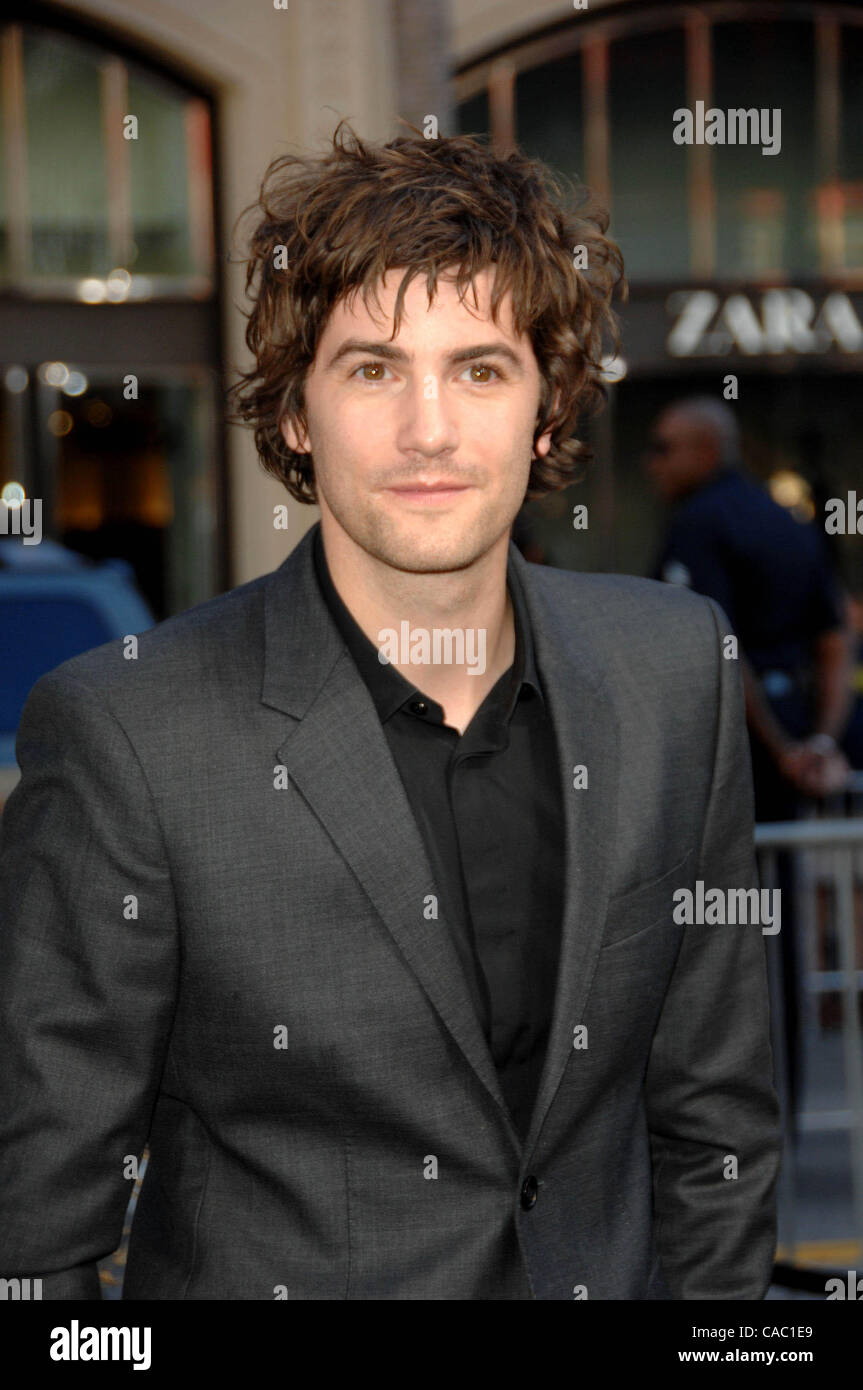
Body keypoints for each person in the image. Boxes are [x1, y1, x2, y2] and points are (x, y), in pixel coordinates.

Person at [0, 123, 781, 1301]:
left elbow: (712, 1118)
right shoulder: (130, 732)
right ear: (299, 417)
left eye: (479, 367)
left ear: (546, 409)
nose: (428, 429)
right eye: (372, 369)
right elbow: (34, 1235)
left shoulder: (671, 669)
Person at [644, 396, 855, 1119]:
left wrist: (781, 746)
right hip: (783, 753)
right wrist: (816, 742)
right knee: (775, 944)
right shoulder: (784, 521)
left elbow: (713, 651)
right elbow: (833, 641)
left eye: (662, 447)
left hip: (730, 764)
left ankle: (735, 1129)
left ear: (705, 450)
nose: (650, 463)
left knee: (720, 952)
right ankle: (777, 1112)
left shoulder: (700, 523)